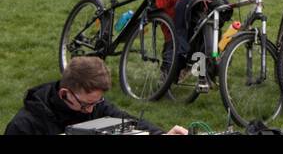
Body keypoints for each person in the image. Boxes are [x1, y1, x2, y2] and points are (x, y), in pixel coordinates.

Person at [6, 57, 187, 136]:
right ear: (64, 94)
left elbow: (128, 122)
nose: (91, 110)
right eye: (85, 105)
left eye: (96, 102)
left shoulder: (97, 107)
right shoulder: (25, 125)